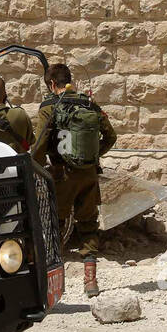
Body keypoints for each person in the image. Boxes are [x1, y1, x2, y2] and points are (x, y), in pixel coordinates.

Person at [32, 63, 117, 297]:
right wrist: (92, 156)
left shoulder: (49, 106)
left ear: (51, 84)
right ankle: (90, 282)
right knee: (88, 224)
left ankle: (51, 281)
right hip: (89, 173)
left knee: (55, 225)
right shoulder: (89, 103)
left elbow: (40, 143)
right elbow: (111, 136)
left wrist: (34, 167)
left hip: (62, 175)